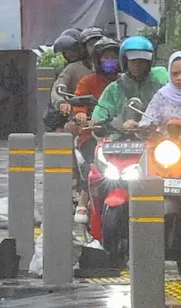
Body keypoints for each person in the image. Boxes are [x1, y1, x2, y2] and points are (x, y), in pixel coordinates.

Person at [67, 37, 121, 224]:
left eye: (114, 57)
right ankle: (84, 199)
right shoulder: (87, 81)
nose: (110, 61)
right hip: (93, 134)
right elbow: (78, 101)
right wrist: (81, 115)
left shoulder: (125, 83)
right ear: (97, 61)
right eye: (106, 58)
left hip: (122, 135)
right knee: (94, 163)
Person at [91, 36, 169, 130]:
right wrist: (114, 125)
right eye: (133, 60)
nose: (137, 64)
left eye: (142, 61)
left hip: (154, 139)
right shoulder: (114, 89)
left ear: (149, 62)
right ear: (125, 61)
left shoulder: (160, 85)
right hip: (119, 140)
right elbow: (99, 116)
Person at [141, 52, 181, 135]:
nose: (179, 78)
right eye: (175, 74)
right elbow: (147, 122)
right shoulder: (162, 95)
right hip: (165, 145)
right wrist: (142, 127)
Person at [51, 30, 92, 107]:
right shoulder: (68, 69)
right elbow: (57, 88)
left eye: (72, 50)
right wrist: (61, 102)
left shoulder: (98, 65)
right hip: (76, 108)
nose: (69, 54)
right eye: (65, 52)